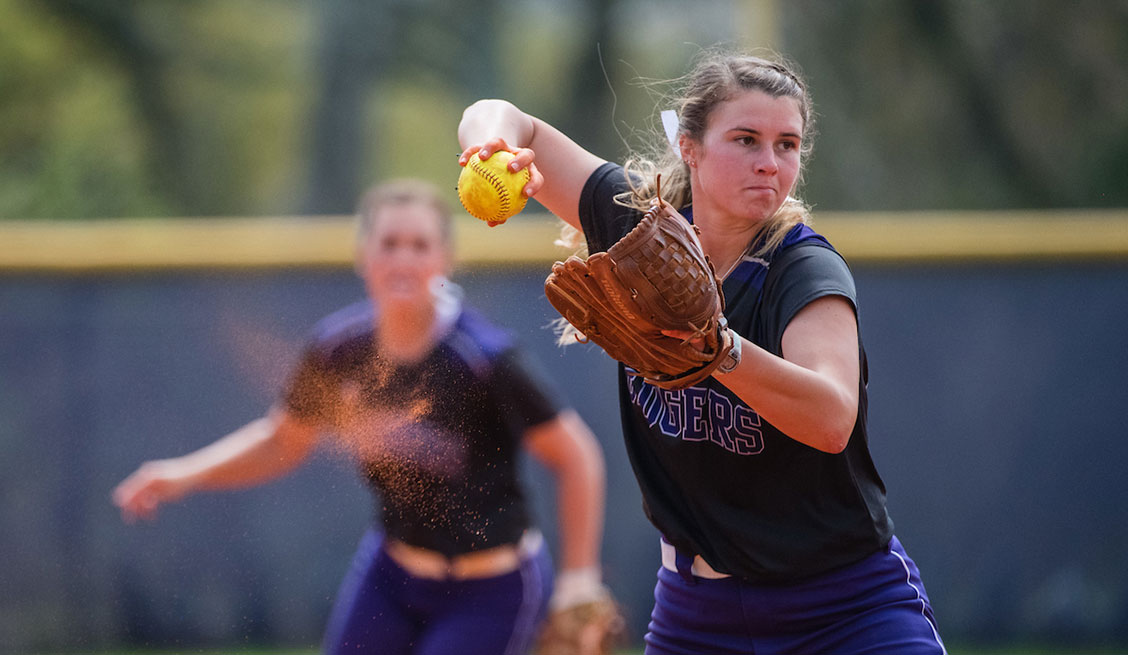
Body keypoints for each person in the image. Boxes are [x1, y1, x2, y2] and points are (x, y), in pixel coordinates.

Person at [457, 49, 947, 654]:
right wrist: (494, 147)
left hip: (842, 609)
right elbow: (500, 114)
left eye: (787, 145)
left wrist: (720, 349)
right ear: (689, 145)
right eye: (746, 139)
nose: (769, 163)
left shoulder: (801, 268)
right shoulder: (641, 228)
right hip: (699, 616)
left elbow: (831, 418)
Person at [112, 179, 611, 655]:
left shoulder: (484, 359)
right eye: (389, 243)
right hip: (393, 574)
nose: (403, 258)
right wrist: (182, 475)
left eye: (420, 245)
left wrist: (579, 580)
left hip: (490, 587)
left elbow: (576, 457)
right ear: (363, 255)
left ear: (445, 259)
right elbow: (283, 441)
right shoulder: (339, 350)